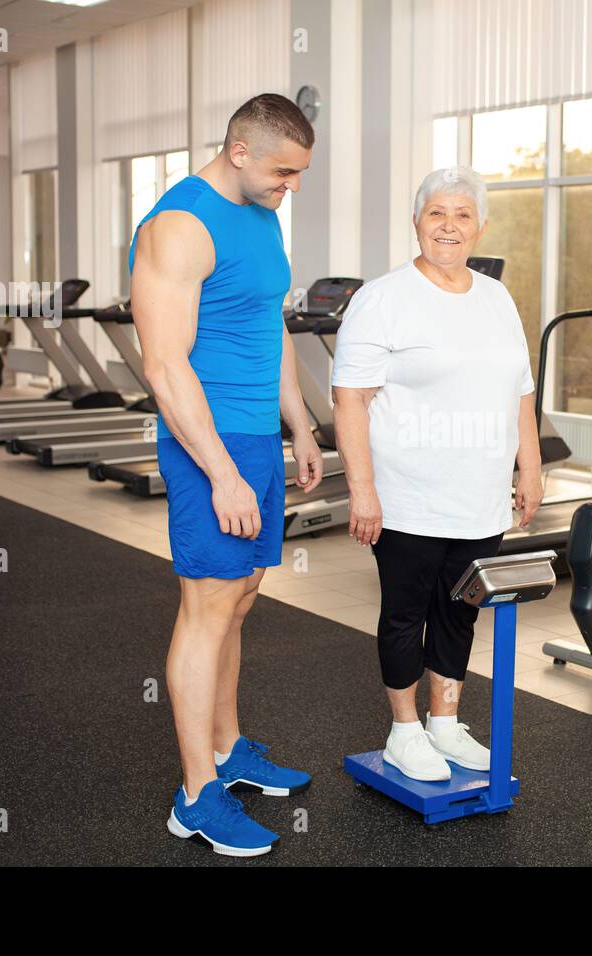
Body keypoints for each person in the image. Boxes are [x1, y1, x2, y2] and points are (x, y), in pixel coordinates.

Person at [131, 93, 324, 857]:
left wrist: (300, 425)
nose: (292, 186)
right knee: (207, 607)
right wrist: (221, 472)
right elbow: (163, 364)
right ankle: (196, 795)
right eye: (284, 171)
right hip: (205, 442)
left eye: (301, 173)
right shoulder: (179, 226)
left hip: (256, 438)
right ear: (239, 151)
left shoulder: (262, 210)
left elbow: (266, 320)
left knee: (240, 599)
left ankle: (227, 746)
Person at [331, 166, 544, 781]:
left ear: (480, 226)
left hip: (478, 495)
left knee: (460, 610)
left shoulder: (496, 297)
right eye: (436, 214)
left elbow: (521, 394)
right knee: (406, 612)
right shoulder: (383, 299)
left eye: (462, 215)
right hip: (408, 495)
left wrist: (529, 468)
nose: (449, 226)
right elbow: (350, 401)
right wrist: (364, 491)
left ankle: (445, 725)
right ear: (418, 221)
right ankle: (404, 731)